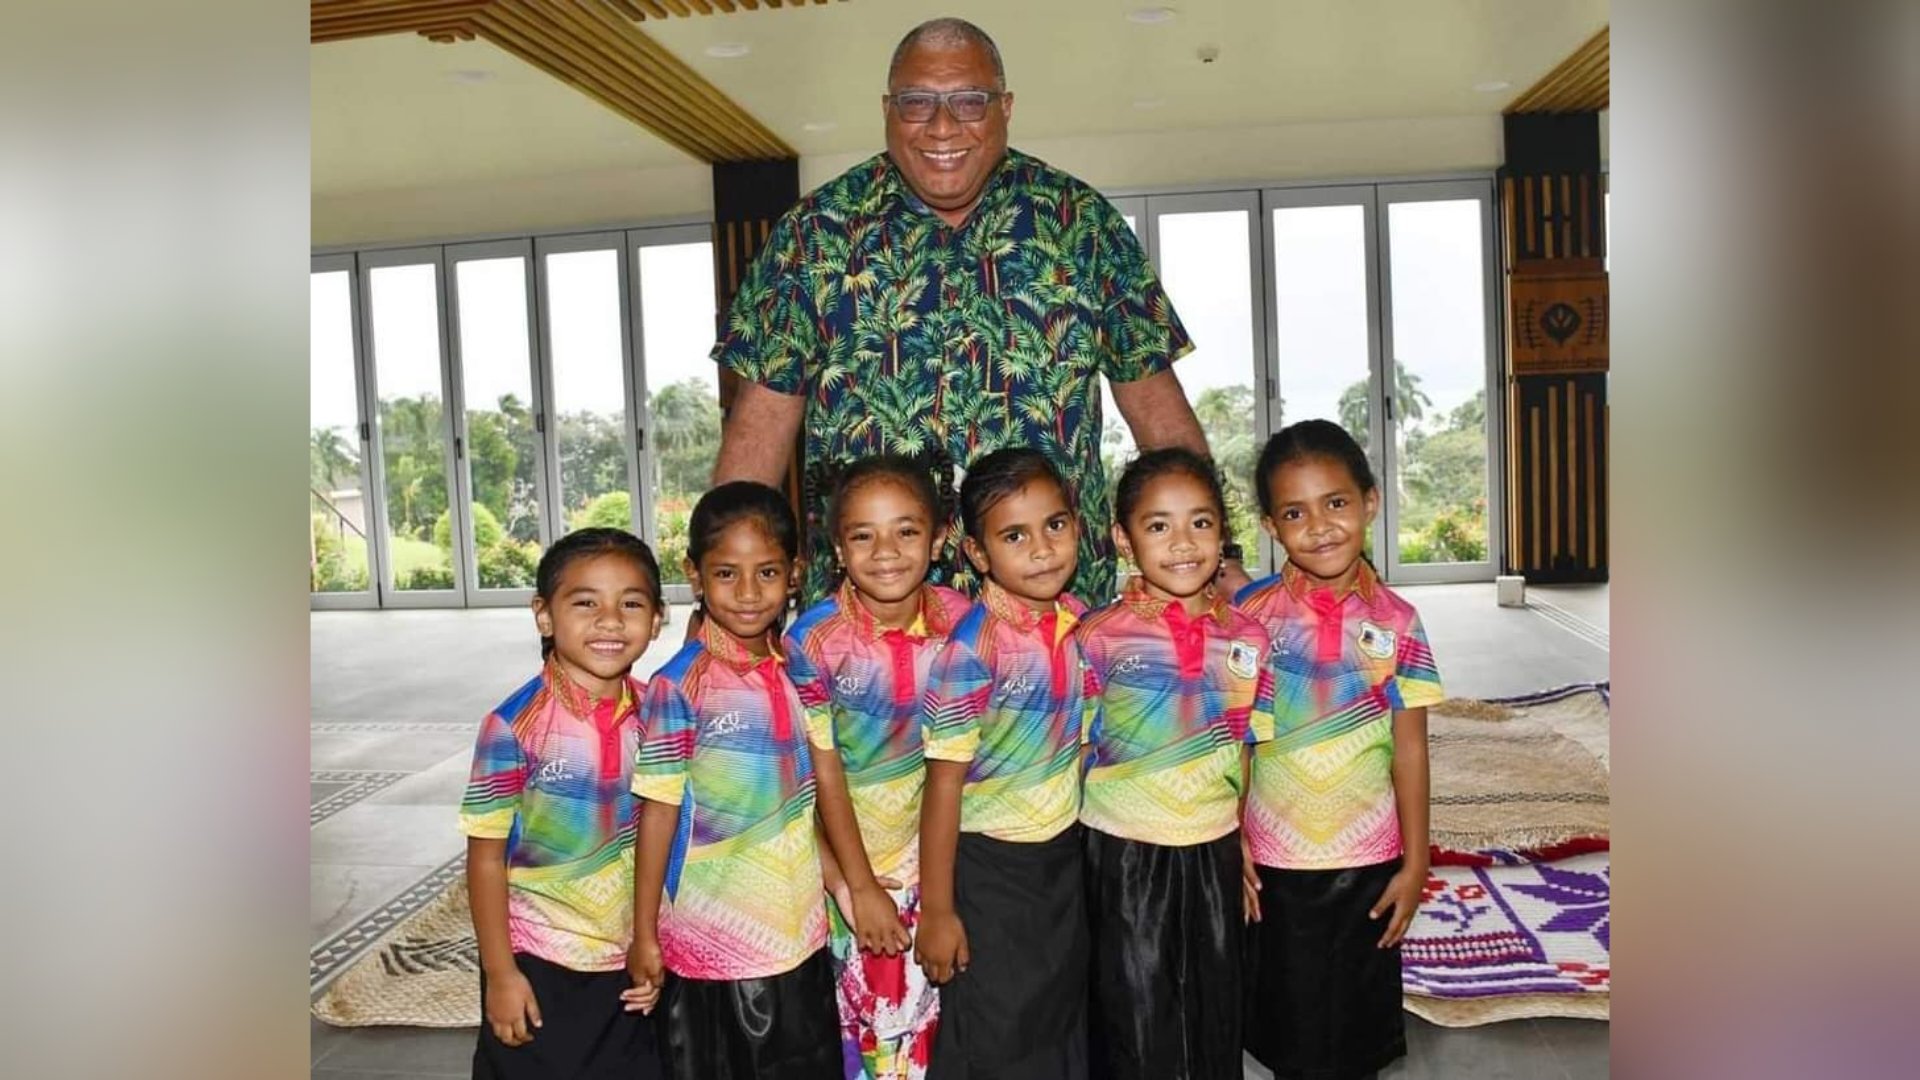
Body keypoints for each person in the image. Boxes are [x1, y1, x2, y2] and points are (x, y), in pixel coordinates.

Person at [709, 16, 1232, 611]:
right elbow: (759, 432)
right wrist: (720, 594)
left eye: (969, 101)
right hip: (866, 628)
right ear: (886, 109)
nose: (942, 126)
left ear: (1005, 107)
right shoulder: (813, 234)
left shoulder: (1082, 224)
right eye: (917, 102)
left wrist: (1221, 559)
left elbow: (1156, 408)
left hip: (1054, 619)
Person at [1235, 421, 1444, 1080]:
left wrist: (1416, 860)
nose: (1320, 526)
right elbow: (1236, 739)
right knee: (1292, 1027)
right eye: (1295, 512)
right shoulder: (1251, 620)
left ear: (1370, 502)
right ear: (1271, 526)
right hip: (1276, 859)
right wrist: (1233, 840)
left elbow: (1410, 750)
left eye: (1336, 503)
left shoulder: (1398, 622)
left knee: (1356, 1034)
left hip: (1370, 859)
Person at [626, 482, 840, 1079]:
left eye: (767, 572)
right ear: (694, 576)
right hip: (713, 947)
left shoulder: (800, 669)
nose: (748, 593)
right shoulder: (678, 687)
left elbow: (803, 800)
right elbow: (658, 813)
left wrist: (846, 888)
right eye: (727, 574)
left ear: (794, 574)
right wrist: (644, 933)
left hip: (800, 934)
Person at [1075, 448, 1275, 1080]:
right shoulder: (1096, 636)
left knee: (1215, 1011)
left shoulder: (1249, 638)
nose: (1183, 543)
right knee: (1133, 1016)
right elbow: (1076, 748)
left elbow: (1245, 745)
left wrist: (1240, 838)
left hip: (1213, 848)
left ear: (1223, 532)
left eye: (1201, 522)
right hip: (1123, 853)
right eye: (1158, 525)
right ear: (1124, 539)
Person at [785, 455, 975, 1080]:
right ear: (839, 549)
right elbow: (818, 774)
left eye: (906, 531)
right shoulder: (812, 642)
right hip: (855, 870)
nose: (886, 551)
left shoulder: (965, 625)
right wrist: (857, 886)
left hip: (950, 864)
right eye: (863, 535)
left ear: (938, 539)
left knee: (950, 1031)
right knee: (868, 1036)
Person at [458, 527, 668, 1080]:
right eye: (585, 603)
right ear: (544, 615)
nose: (610, 621)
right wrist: (501, 974)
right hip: (539, 960)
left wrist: (651, 939)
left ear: (657, 619)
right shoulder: (512, 727)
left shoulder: (658, 714)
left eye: (631, 604)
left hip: (626, 955)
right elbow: (485, 859)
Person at [915, 447, 1094, 1079]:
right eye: (1014, 536)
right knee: (999, 1028)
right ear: (978, 553)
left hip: (1062, 856)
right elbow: (942, 786)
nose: (1042, 549)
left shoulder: (1078, 624)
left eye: (1055, 525)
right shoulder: (971, 651)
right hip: (989, 866)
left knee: (1058, 1013)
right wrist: (938, 910)